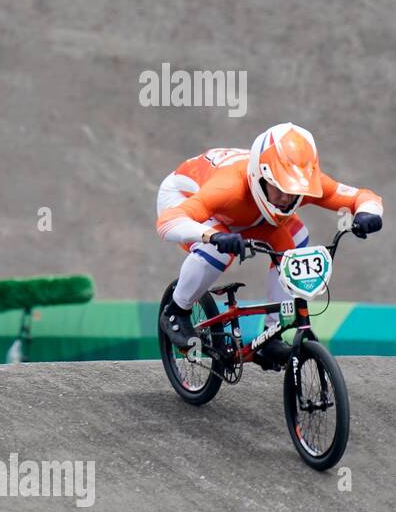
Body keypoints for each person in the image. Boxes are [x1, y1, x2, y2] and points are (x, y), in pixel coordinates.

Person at [156, 127, 383, 366]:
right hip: (183, 198)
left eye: (293, 191)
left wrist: (368, 213)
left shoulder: (301, 184)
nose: (286, 199)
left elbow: (363, 196)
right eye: (279, 189)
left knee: (296, 240)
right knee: (218, 250)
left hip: (246, 213)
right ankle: (177, 310)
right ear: (260, 177)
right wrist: (210, 236)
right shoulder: (227, 187)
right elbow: (168, 222)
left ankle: (272, 333)